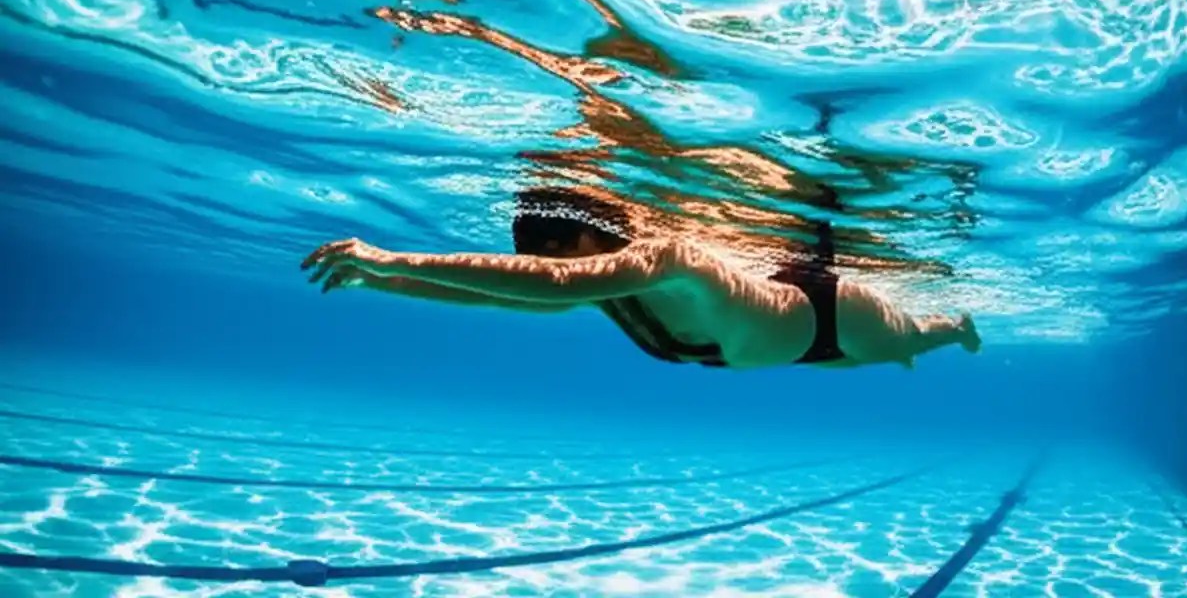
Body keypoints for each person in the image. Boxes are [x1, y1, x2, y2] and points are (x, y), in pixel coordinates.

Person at [301, 189, 981, 370]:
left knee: (910, 343)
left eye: (553, 247)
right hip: (767, 347)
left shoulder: (665, 257)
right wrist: (380, 285)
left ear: (597, 234)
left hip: (833, 317)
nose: (544, 262)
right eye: (533, 249)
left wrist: (391, 259)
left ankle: (959, 328)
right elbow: (516, 294)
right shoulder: (595, 285)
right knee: (843, 368)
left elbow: (550, 285)